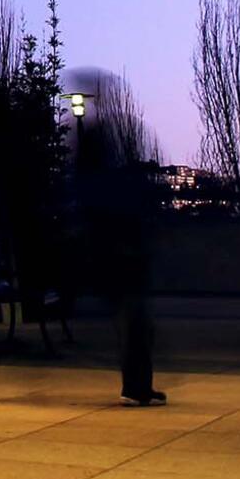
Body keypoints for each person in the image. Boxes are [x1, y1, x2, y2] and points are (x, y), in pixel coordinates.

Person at [74, 93, 165, 405]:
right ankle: (136, 386)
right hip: (119, 253)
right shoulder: (103, 175)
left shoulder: (96, 166)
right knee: (136, 321)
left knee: (137, 322)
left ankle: (138, 385)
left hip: (117, 252)